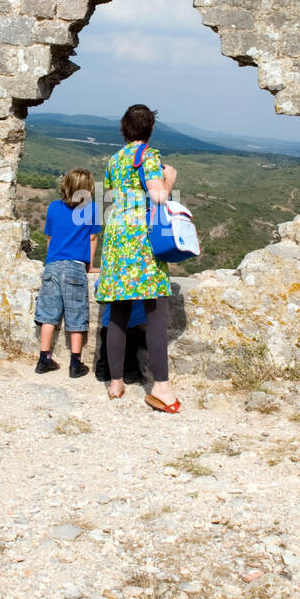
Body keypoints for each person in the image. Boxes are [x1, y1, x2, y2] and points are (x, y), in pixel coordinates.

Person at [96, 103, 180, 412]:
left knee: (119, 309)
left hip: (117, 238)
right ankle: (161, 386)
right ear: (150, 129)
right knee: (155, 307)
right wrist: (169, 178)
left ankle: (115, 382)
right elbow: (158, 196)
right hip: (141, 239)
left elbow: (110, 193)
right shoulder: (148, 156)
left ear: (124, 129)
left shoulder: (114, 160)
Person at [34, 168, 101, 377]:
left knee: (48, 314)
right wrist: (89, 266)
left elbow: (50, 238)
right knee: (76, 314)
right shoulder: (92, 210)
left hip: (52, 265)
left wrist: (52, 258)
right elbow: (92, 239)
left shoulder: (53, 207)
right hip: (75, 266)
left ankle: (44, 358)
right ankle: (75, 363)